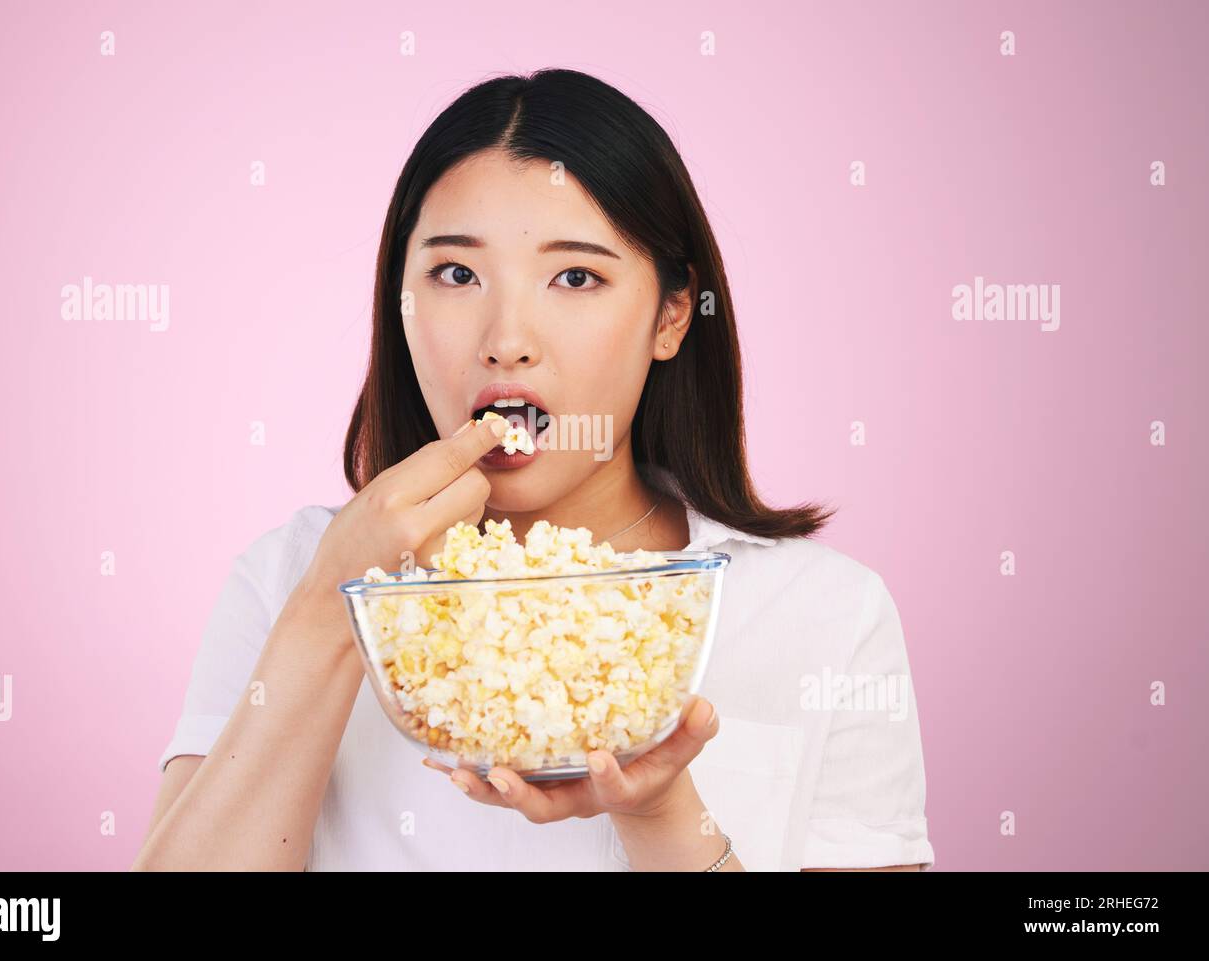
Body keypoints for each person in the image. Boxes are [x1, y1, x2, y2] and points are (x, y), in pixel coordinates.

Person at [133, 68, 935, 872]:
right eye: (456, 274)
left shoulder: (825, 613)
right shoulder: (289, 580)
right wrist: (329, 610)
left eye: (576, 277)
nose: (507, 338)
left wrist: (660, 813)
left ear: (672, 314)